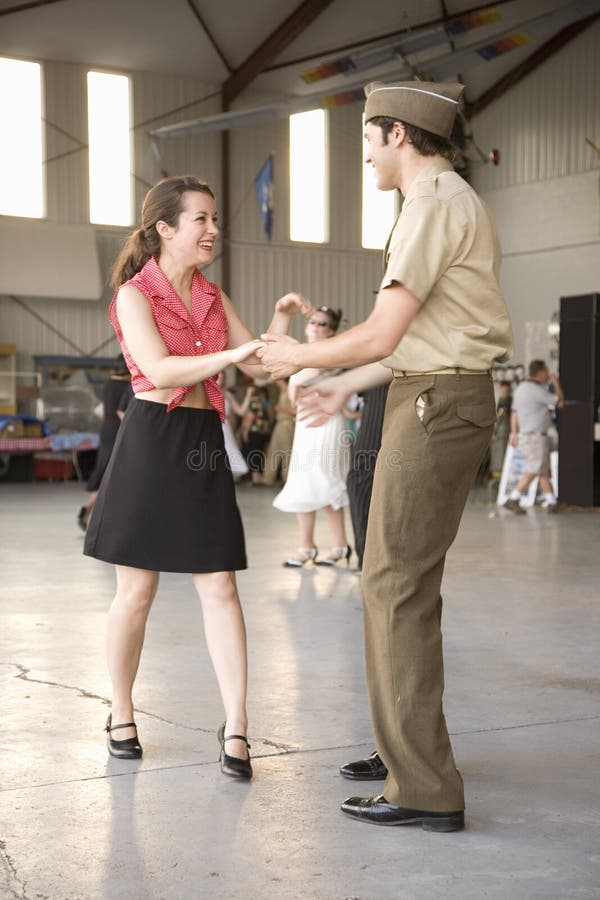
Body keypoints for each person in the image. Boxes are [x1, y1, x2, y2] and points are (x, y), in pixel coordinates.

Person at [259, 80, 513, 830]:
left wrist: (299, 359)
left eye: (369, 139)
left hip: (437, 401)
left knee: (394, 583)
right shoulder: (444, 201)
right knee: (396, 581)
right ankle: (403, 750)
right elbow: (414, 339)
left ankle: (423, 786)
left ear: (397, 134)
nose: (366, 155)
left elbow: (381, 332)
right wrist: (346, 385)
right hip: (431, 390)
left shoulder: (432, 204)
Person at [83, 174, 309, 778]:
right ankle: (121, 710)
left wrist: (279, 322)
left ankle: (237, 727)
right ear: (165, 228)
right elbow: (158, 369)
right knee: (137, 592)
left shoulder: (213, 295)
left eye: (214, 219)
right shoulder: (134, 295)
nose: (213, 229)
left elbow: (259, 368)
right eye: (201, 219)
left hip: (202, 440)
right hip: (152, 441)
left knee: (221, 586)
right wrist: (229, 356)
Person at [272, 306, 352, 567]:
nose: (316, 327)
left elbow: (298, 385)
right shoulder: (301, 356)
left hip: (327, 422)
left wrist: (295, 375)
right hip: (305, 425)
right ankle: (306, 546)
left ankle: (340, 545)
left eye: (323, 323)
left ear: (331, 331)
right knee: (302, 479)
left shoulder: (331, 356)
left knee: (326, 479)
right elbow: (294, 397)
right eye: (313, 322)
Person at [77, 354, 132, 531]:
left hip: (107, 429)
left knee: (106, 470)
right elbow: (122, 412)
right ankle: (92, 513)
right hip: (119, 430)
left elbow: (100, 411)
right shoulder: (128, 385)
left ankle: (89, 512)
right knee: (113, 473)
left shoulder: (109, 383)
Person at [504, 359, 564, 513]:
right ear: (541, 373)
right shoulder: (537, 391)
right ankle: (513, 497)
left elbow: (514, 413)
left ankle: (551, 502)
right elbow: (560, 402)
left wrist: (514, 434)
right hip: (536, 437)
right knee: (535, 468)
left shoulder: (520, 389)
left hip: (527, 435)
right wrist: (556, 383)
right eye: (546, 371)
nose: (548, 374)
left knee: (543, 470)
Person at [260, 379, 295, 486]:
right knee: (273, 450)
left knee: (286, 452)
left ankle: (287, 478)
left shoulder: (291, 391)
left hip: (286, 423)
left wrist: (281, 409)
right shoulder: (282, 392)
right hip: (279, 423)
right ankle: (267, 478)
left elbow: (296, 410)